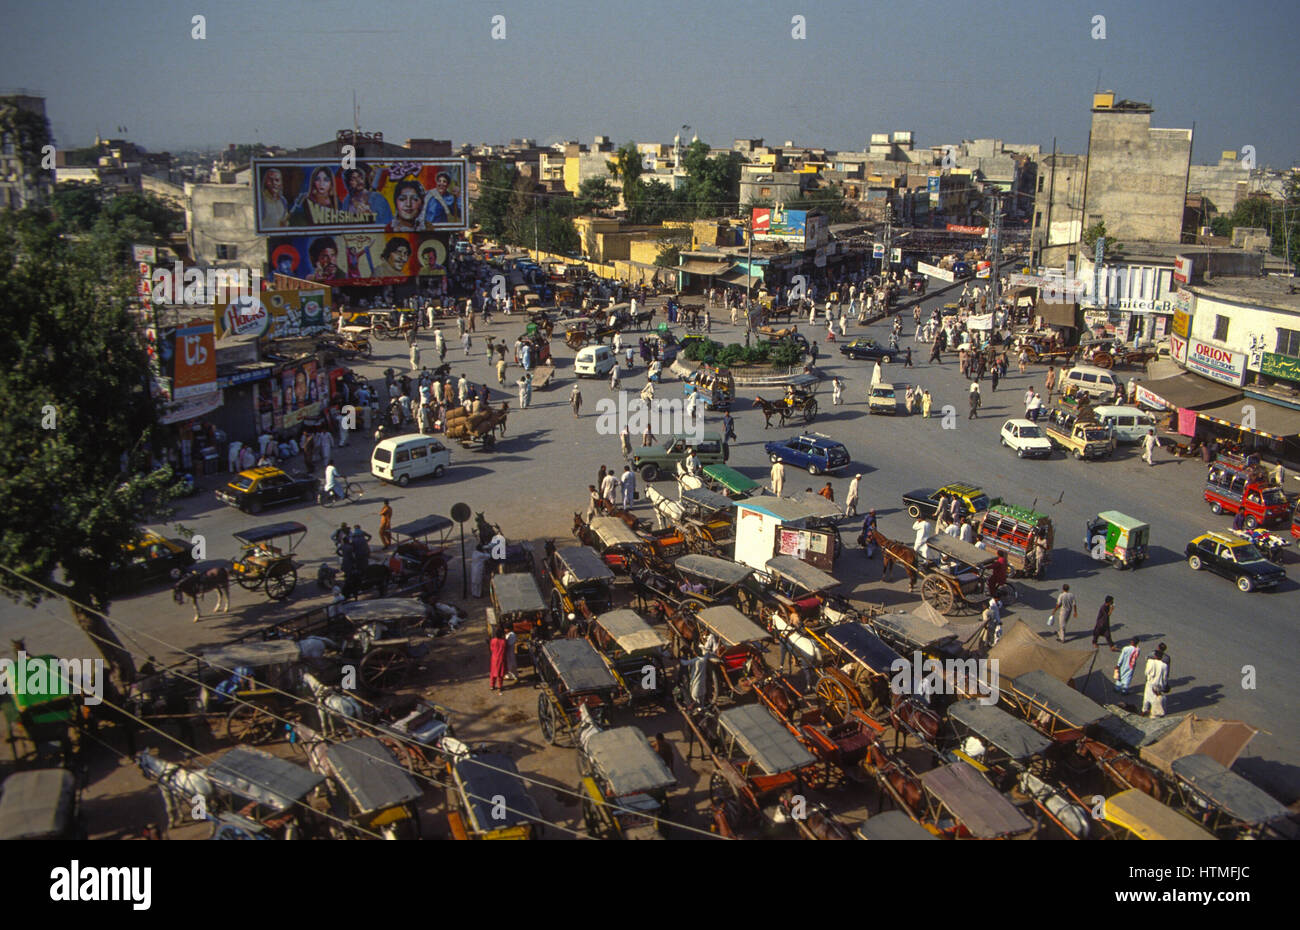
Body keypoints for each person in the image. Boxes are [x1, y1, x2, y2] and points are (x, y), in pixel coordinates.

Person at [1142, 643, 1170, 716]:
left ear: (1155, 655)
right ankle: (1153, 712)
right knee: (1156, 699)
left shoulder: (1151, 661)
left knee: (1146, 698)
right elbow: (1165, 677)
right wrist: (1164, 685)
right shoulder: (1165, 665)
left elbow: (1146, 672)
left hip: (1150, 682)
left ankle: (1144, 710)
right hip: (1159, 684)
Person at [489, 626, 508, 694]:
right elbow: (506, 649)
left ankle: (492, 685)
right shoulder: (504, 642)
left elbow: (491, 649)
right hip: (501, 659)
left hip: (494, 658)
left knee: (493, 673)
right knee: (500, 674)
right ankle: (500, 686)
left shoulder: (493, 640)